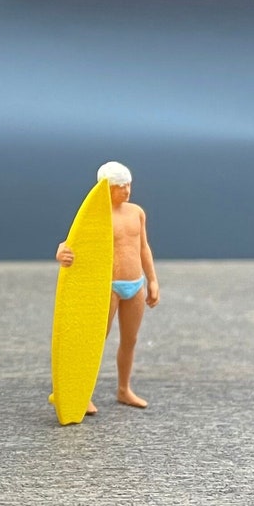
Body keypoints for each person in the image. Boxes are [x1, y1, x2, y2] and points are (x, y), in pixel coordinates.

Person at [56, 162, 159, 410]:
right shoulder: (96, 217)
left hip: (135, 284)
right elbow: (71, 243)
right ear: (106, 188)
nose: (126, 190)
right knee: (94, 340)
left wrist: (153, 279)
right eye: (119, 186)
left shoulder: (136, 212)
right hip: (106, 287)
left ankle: (124, 389)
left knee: (130, 340)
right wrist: (62, 253)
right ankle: (81, 393)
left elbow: (143, 247)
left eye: (128, 185)